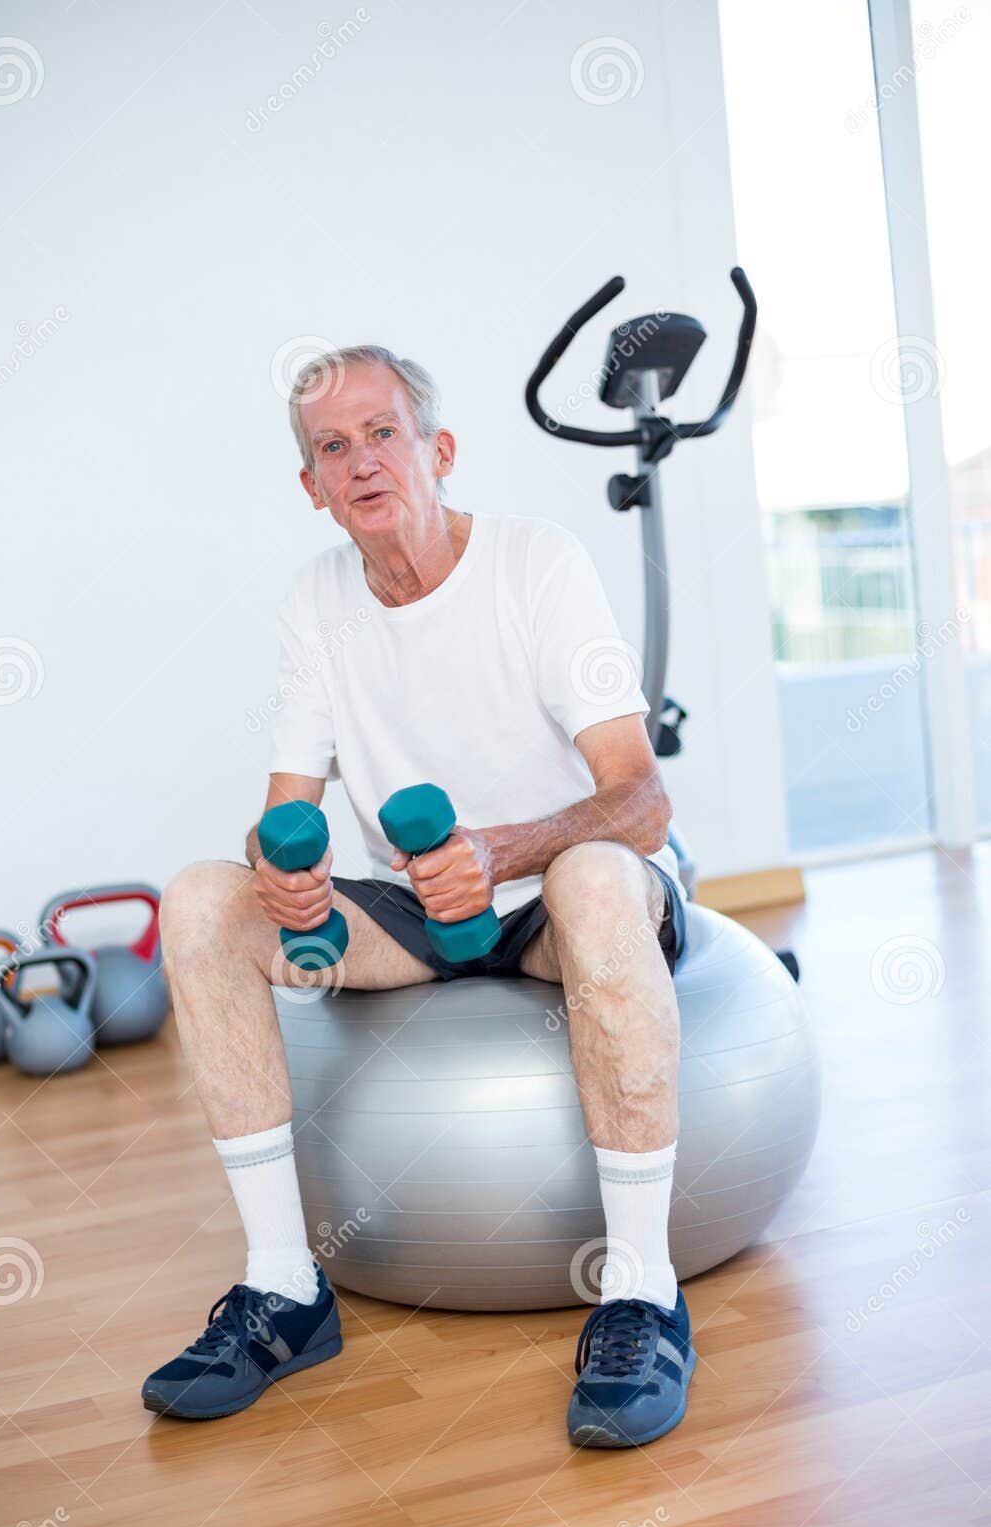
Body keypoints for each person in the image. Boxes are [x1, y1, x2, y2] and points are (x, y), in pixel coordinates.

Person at [142, 343, 693, 1448]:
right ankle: (285, 1291)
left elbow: (640, 804)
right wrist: (286, 886)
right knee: (203, 900)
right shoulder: (316, 599)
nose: (359, 461)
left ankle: (638, 1291)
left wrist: (503, 851)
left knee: (589, 873)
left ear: (437, 451)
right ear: (311, 487)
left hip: (558, 897)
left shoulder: (536, 563)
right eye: (330, 447)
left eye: (381, 433)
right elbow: (283, 809)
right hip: (419, 918)